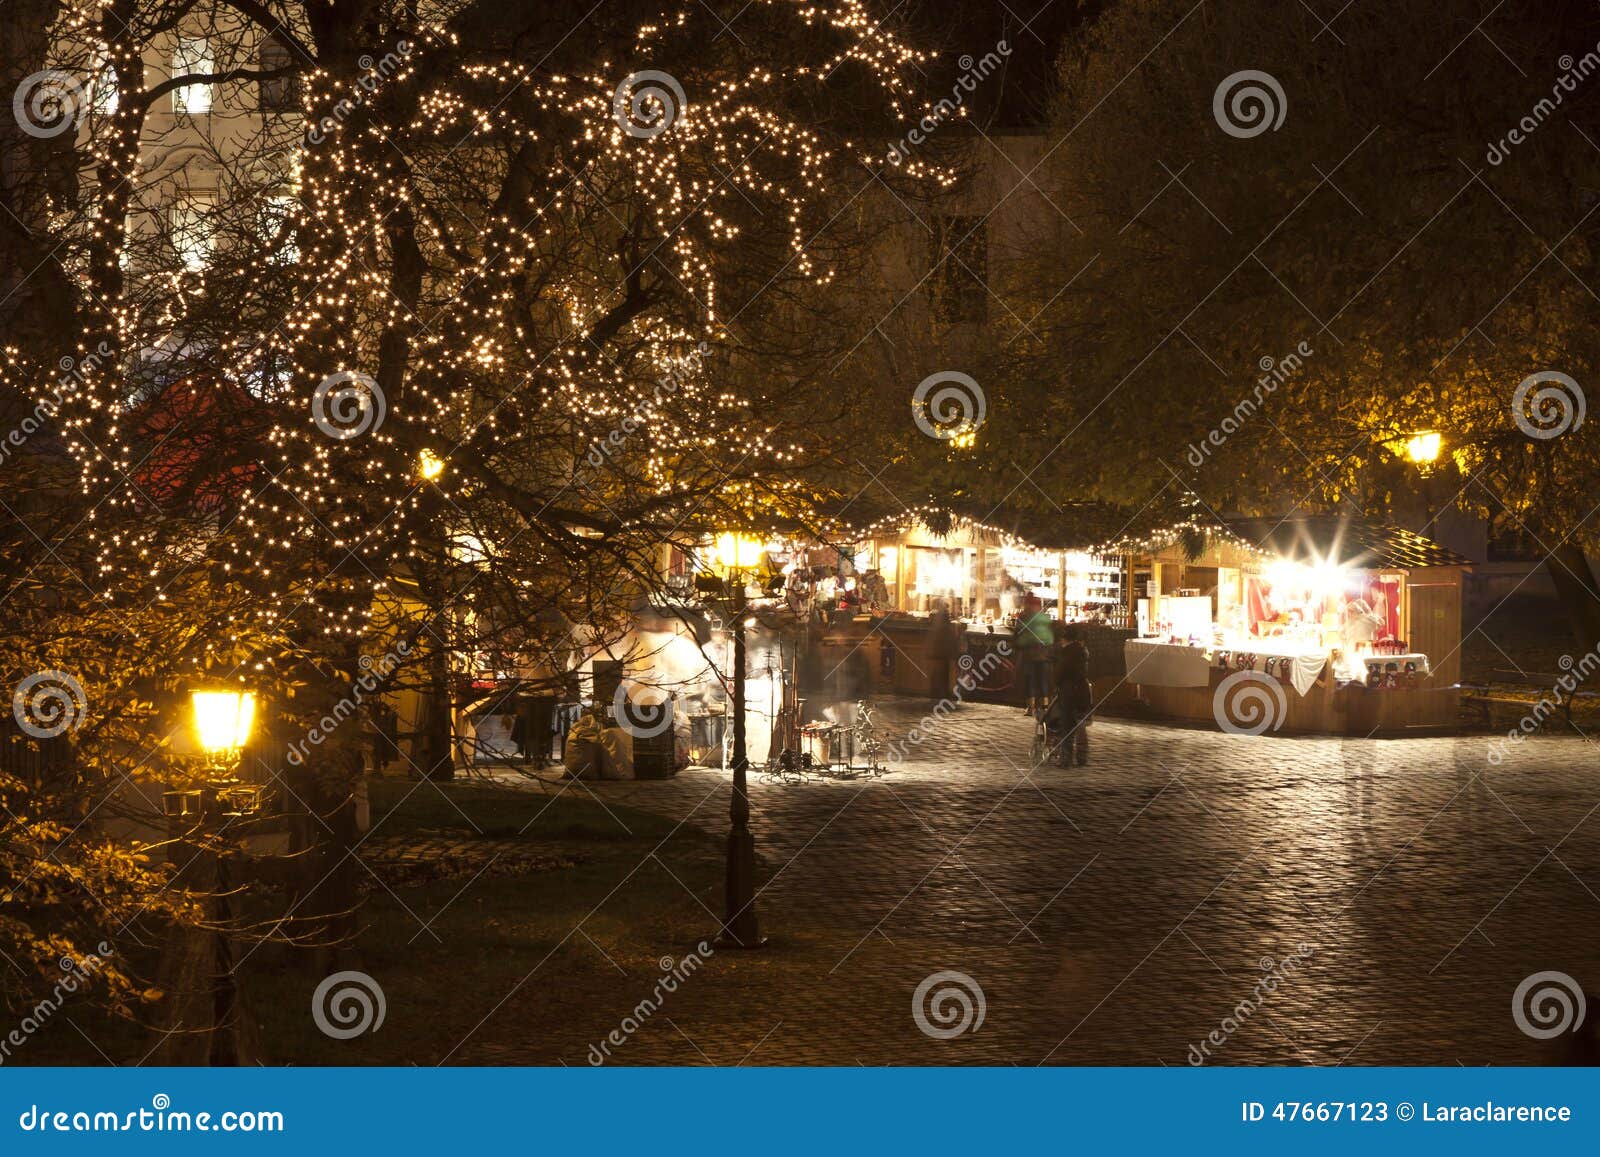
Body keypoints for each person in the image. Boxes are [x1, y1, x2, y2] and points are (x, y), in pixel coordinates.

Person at [1049, 626, 1093, 766]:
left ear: (1064, 639)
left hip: (1069, 692)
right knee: (1080, 723)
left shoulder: (1066, 653)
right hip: (1082, 690)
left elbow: (1059, 673)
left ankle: (1066, 759)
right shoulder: (1082, 651)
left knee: (1067, 725)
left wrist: (1055, 681)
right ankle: (1082, 757)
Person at [1015, 596, 1056, 716]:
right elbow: (1050, 638)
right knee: (1043, 681)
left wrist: (1018, 644)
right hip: (1045, 655)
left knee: (1030, 681)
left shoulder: (1025, 618)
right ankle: (1045, 707)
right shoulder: (1045, 618)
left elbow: (1021, 638)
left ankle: (1031, 707)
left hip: (1030, 655)